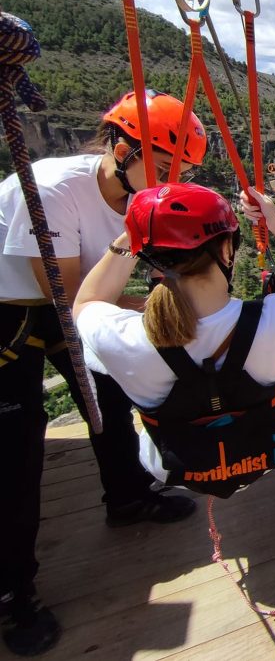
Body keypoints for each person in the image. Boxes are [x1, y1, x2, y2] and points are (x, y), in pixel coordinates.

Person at [0, 90, 203, 655]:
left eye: (180, 172)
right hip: (10, 307)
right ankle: (12, 592)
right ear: (121, 149)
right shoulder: (54, 189)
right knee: (15, 443)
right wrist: (154, 296)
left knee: (110, 395)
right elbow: (65, 294)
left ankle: (128, 495)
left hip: (67, 300)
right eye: (163, 166)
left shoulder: (138, 196)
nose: (170, 181)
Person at [73, 182, 275, 494]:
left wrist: (134, 232)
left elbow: (85, 303)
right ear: (226, 251)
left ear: (147, 255)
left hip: (174, 466)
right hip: (272, 441)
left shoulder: (122, 337)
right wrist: (273, 220)